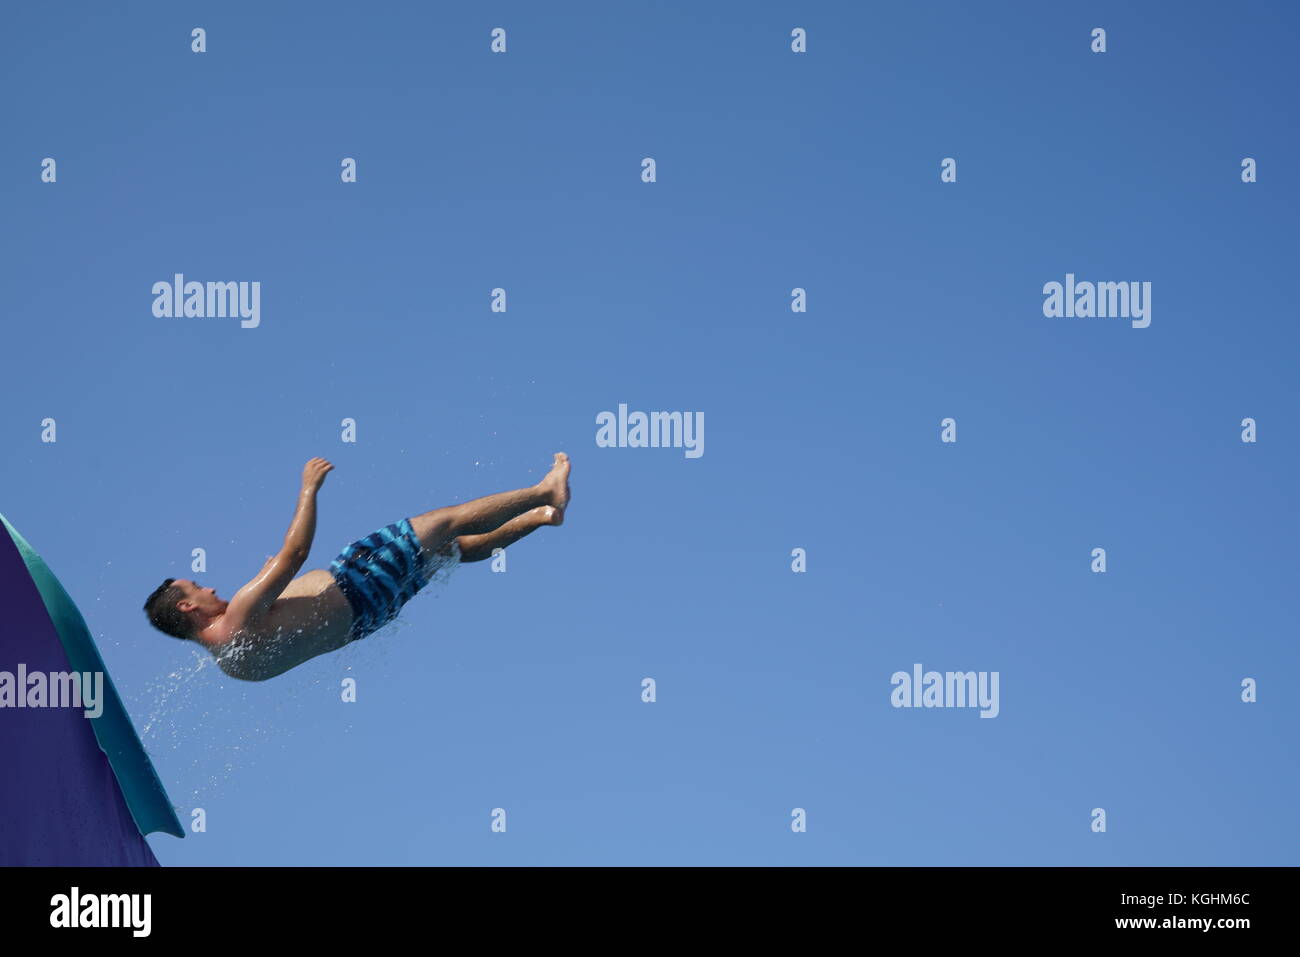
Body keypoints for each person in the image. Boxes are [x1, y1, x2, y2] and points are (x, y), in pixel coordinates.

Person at [143, 453, 571, 681]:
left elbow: (291, 628)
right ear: (186, 608)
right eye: (197, 587)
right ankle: (542, 493)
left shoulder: (231, 665)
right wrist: (309, 489)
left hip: (369, 616)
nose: (209, 589)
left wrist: (275, 589)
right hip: (356, 579)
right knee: (445, 522)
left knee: (451, 550)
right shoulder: (236, 616)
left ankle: (541, 519)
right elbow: (295, 553)